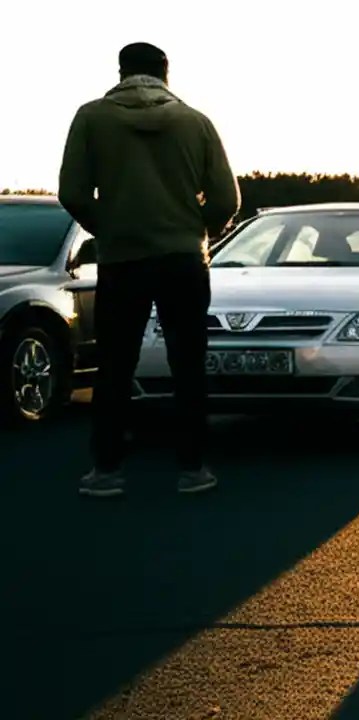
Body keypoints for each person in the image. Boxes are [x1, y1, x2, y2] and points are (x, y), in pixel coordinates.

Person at [58, 42, 239, 498]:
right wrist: (201, 230)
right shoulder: (195, 122)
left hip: (122, 260)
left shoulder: (91, 118)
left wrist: (109, 228)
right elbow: (226, 199)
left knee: (115, 365)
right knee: (188, 363)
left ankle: (106, 469)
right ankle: (193, 467)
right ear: (166, 74)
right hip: (182, 259)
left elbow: (72, 191)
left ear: (121, 72)